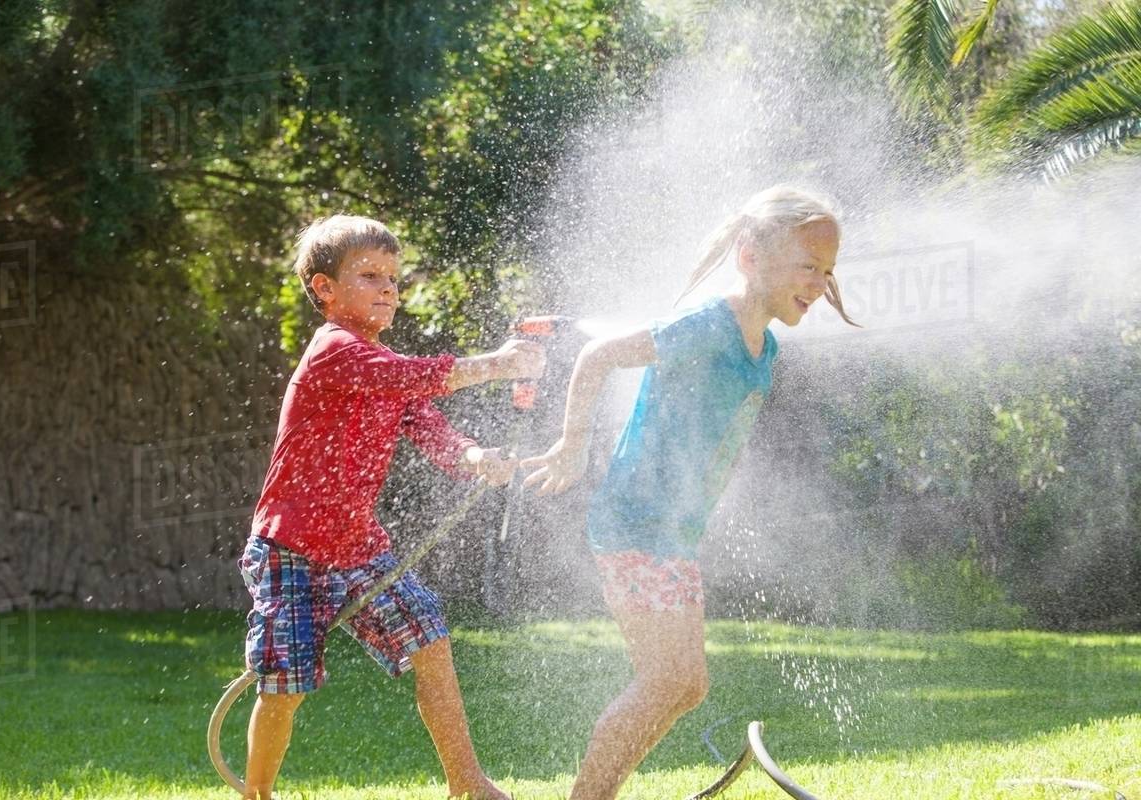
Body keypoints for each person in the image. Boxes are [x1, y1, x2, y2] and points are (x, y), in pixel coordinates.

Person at [520, 186, 857, 800]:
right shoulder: (708, 325)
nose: (818, 284)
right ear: (752, 255)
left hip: (673, 532)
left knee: (685, 684)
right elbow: (596, 356)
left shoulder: (766, 345)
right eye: (807, 266)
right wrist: (572, 446)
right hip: (635, 522)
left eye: (827, 271)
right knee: (667, 678)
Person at [238, 214, 544, 800]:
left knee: (431, 641)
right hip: (290, 550)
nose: (387, 289)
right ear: (324, 289)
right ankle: (256, 795)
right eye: (369, 275)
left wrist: (475, 457)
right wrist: (499, 364)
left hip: (357, 547)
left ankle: (467, 784)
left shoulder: (383, 368)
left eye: (393, 279)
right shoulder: (336, 352)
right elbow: (417, 377)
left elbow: (431, 429)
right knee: (286, 684)